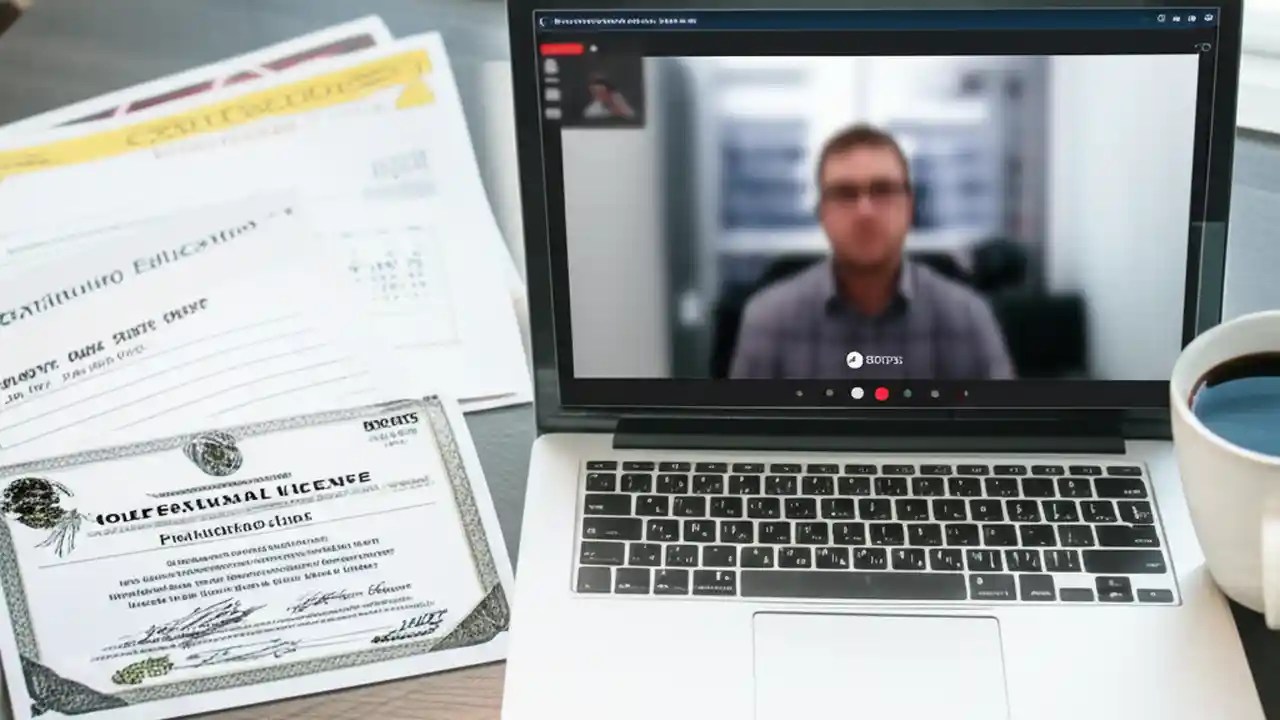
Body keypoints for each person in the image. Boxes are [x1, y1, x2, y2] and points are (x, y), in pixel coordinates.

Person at [728, 123, 1015, 380]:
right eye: (845, 194)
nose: (865, 211)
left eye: (883, 190)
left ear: (909, 207)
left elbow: (1002, 422)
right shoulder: (769, 321)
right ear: (822, 213)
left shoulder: (968, 318)